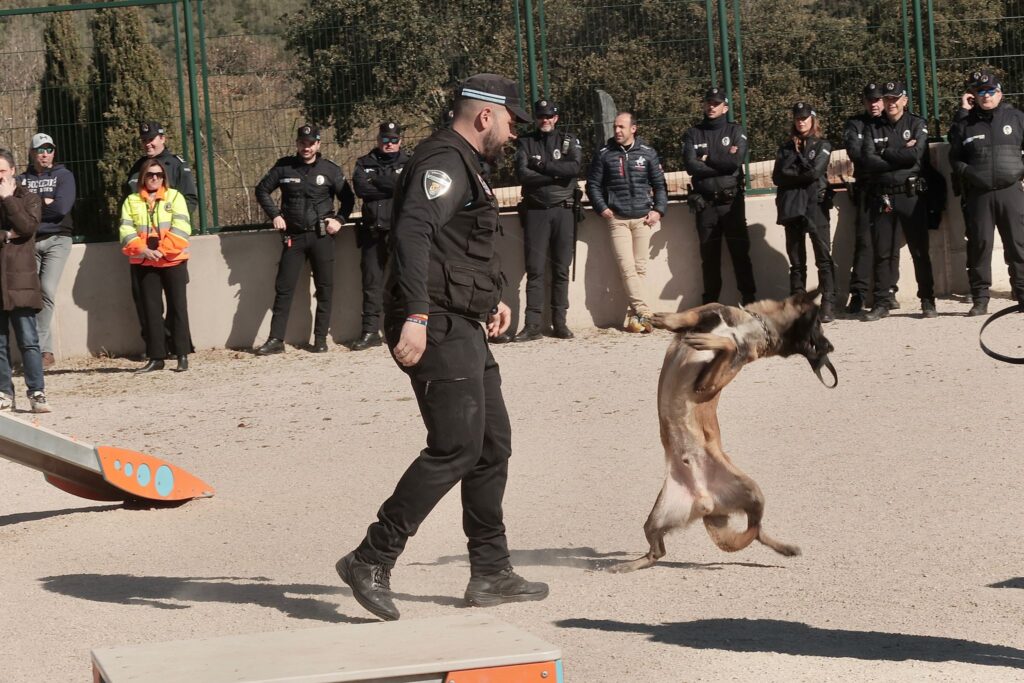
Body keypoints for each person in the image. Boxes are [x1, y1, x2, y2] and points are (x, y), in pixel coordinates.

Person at [336, 73, 548, 622]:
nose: (511, 131)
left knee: (490, 442)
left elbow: (463, 244)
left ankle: (490, 571)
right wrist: (416, 315)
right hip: (434, 321)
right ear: (484, 117)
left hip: (462, 319)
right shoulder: (444, 162)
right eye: (508, 121)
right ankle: (371, 557)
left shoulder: (465, 164)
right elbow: (411, 234)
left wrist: (493, 298)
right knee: (456, 445)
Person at [253, 124, 355, 355]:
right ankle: (276, 340)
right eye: (302, 143)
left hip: (322, 237)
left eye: (310, 143)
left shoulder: (330, 170)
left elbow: (348, 199)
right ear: (297, 144)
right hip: (294, 237)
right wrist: (275, 215)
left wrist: (339, 219)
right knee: (284, 288)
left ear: (318, 144)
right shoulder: (284, 167)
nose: (306, 147)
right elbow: (261, 190)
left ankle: (320, 339)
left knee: (325, 289)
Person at [948, 70, 1024, 315]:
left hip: (1010, 192)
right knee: (980, 245)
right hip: (979, 195)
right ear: (973, 96)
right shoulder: (964, 124)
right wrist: (971, 174)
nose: (986, 96)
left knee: (1018, 245)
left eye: (991, 91)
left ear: (1000, 93)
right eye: (980, 92)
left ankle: (1022, 294)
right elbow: (955, 159)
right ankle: (980, 298)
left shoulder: (1016, 118)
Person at [506, 98, 582, 342]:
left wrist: (542, 166)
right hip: (536, 211)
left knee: (561, 269)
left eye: (549, 116)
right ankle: (532, 325)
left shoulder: (568, 140)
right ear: (536, 119)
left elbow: (574, 169)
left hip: (564, 210)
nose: (545, 120)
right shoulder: (526, 142)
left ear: (556, 118)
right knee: (535, 270)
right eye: (541, 116)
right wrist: (555, 174)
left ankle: (560, 322)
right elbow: (524, 175)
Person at [860, 81, 936, 321]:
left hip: (910, 194)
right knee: (882, 250)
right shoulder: (873, 127)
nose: (891, 103)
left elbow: (916, 156)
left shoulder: (916, 123)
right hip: (883, 195)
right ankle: (881, 301)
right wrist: (900, 152)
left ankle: (927, 300)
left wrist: (886, 152)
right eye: (887, 99)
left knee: (919, 250)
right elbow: (867, 159)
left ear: (904, 100)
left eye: (895, 99)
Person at [585, 111, 667, 332]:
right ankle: (646, 313)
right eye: (615, 127)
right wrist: (602, 208)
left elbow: (660, 185)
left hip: (643, 218)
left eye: (622, 127)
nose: (617, 131)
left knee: (640, 269)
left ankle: (635, 318)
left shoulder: (648, 153)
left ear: (633, 129)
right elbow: (592, 185)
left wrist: (658, 210)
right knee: (627, 268)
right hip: (617, 220)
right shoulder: (604, 154)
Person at [682, 87, 757, 306]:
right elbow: (690, 165)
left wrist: (705, 158)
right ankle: (710, 306)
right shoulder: (693, 133)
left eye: (716, 103)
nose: (711, 107)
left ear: (725, 107)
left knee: (740, 254)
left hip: (731, 203)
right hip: (705, 205)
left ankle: (750, 301)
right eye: (708, 103)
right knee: (709, 258)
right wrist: (721, 162)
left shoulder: (735, 131)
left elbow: (735, 163)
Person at [119, 159, 192, 373]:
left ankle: (182, 354)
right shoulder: (131, 201)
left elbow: (182, 226)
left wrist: (163, 249)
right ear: (143, 176)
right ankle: (156, 356)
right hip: (144, 260)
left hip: (172, 260)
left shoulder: (175, 197)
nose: (154, 178)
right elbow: (125, 229)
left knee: (177, 307)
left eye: (159, 175)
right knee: (150, 310)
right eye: (150, 174)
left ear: (164, 177)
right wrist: (143, 250)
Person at [772, 102, 837, 322]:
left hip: (815, 205)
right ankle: (798, 305)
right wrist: (800, 170)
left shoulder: (822, 145)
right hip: (792, 206)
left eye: (805, 118)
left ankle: (828, 302)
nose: (801, 121)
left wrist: (791, 172)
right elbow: (777, 177)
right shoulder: (785, 147)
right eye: (798, 118)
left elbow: (815, 172)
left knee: (823, 257)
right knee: (797, 261)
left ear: (812, 119)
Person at [349, 121, 409, 351]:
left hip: (400, 232)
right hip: (372, 232)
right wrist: (392, 186)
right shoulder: (364, 163)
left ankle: (405, 328)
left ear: (400, 141)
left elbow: (408, 187)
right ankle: (370, 331)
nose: (389, 144)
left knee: (404, 280)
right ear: (378, 140)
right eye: (385, 139)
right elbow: (361, 189)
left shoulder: (408, 163)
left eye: (394, 140)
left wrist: (378, 181)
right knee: (371, 283)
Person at [843, 83, 901, 314]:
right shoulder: (855, 124)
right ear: (864, 102)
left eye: (878, 100)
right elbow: (858, 155)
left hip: (889, 187)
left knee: (891, 243)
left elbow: (904, 153)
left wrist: (883, 155)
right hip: (867, 189)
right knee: (864, 241)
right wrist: (889, 156)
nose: (875, 104)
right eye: (870, 100)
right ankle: (858, 294)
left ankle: (889, 291)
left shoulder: (891, 122)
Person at [18, 133, 75, 368]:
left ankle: (39, 352)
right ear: (32, 153)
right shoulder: (21, 179)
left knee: (47, 290)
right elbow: (14, 211)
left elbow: (61, 208)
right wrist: (45, 203)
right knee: (33, 293)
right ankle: (44, 352)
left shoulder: (64, 176)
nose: (45, 154)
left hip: (57, 239)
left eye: (49, 149)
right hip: (29, 240)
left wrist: (32, 208)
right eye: (41, 150)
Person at [0, 149, 50, 413]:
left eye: (1, 172)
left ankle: (37, 391)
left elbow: (28, 227)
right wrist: (7, 235)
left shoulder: (28, 198)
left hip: (21, 281)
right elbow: (15, 232)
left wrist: (8, 199)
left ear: (12, 171)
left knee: (29, 340)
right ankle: (4, 393)